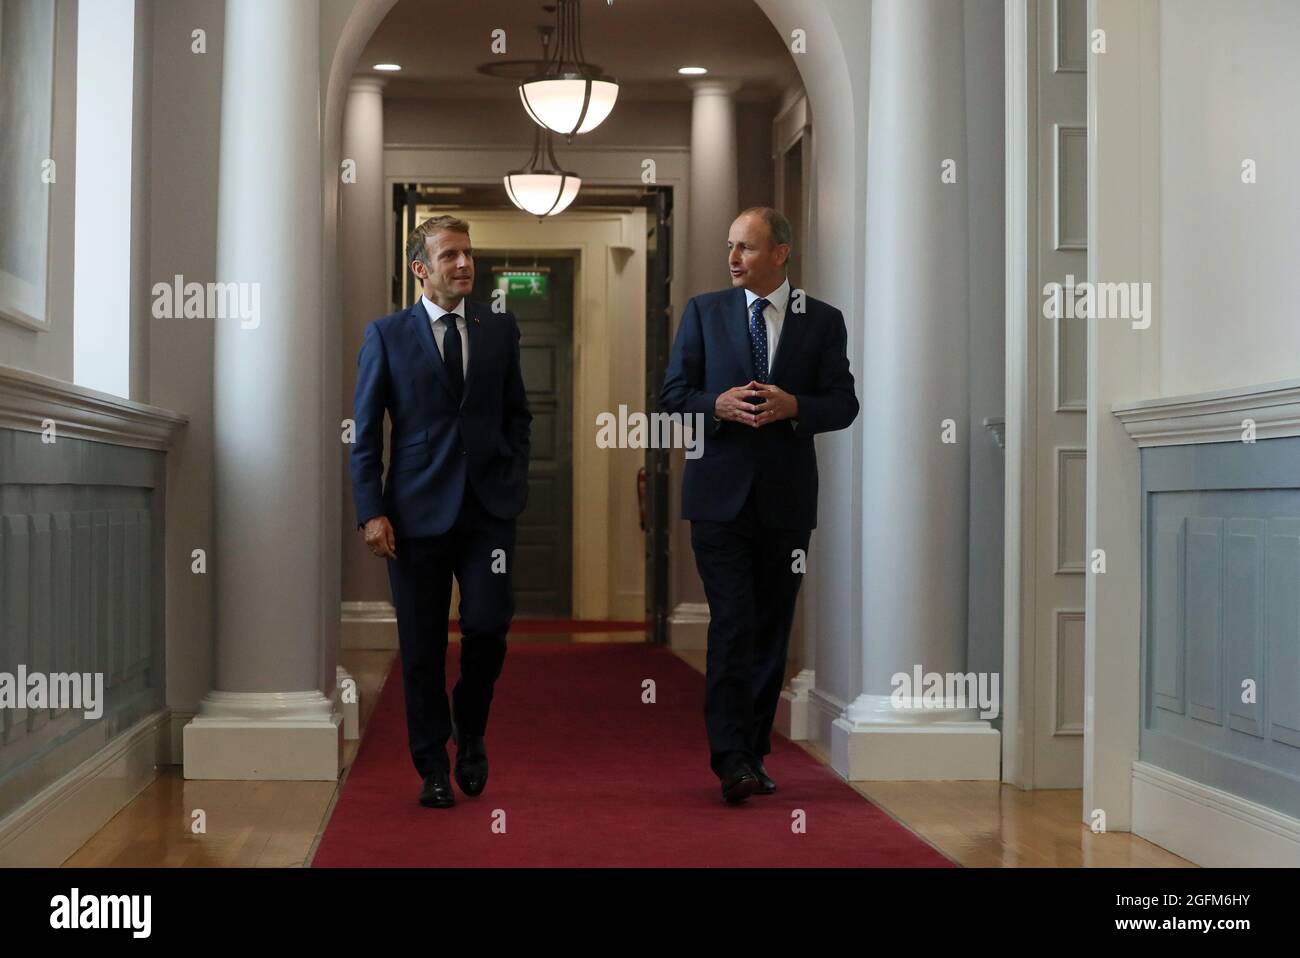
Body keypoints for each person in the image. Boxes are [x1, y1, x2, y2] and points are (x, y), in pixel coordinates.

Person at [660, 206, 859, 804]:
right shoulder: (704, 312)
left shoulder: (822, 321)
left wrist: (795, 406)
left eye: (746, 248)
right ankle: (731, 758)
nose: (733, 258)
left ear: (781, 254)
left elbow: (844, 403)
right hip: (718, 501)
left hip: (787, 504)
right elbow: (672, 396)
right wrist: (714, 407)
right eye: (730, 247)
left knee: (771, 630)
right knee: (733, 622)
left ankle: (753, 748)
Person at [351, 215, 531, 808]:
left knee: (487, 625)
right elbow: (366, 436)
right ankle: (431, 765)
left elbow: (518, 416)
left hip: (487, 512)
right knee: (422, 645)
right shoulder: (387, 334)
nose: (464, 265)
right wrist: (371, 511)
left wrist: (513, 477)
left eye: (468, 254)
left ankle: (470, 726)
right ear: (420, 268)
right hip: (413, 513)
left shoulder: (500, 328)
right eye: (450, 255)